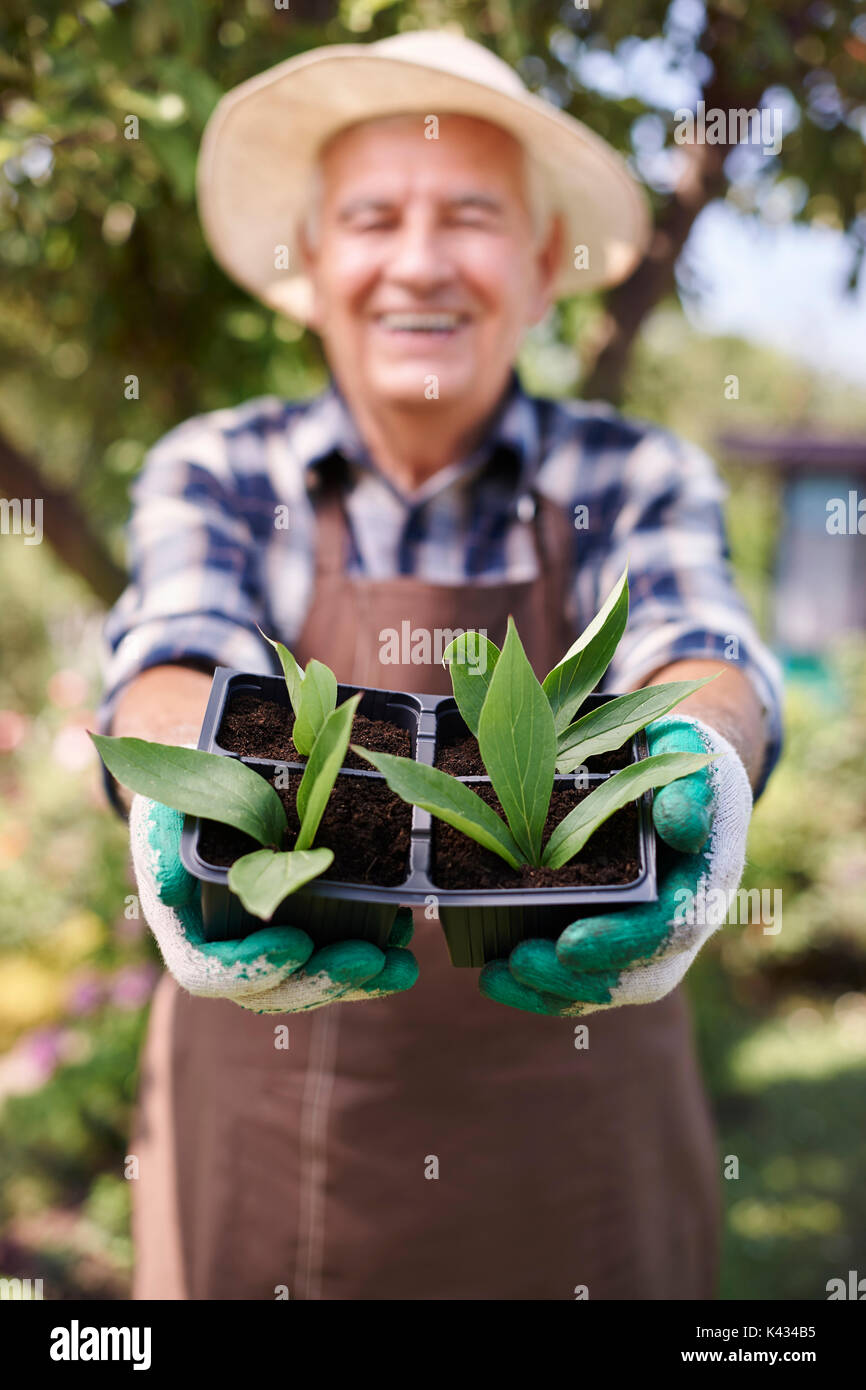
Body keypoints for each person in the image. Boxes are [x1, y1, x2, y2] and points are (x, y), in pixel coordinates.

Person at [98, 30, 783, 1300]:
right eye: (372, 218)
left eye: (469, 218)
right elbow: (175, 650)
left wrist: (706, 764)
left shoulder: (626, 475)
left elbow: (697, 647)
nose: (418, 261)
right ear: (312, 264)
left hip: (580, 1142)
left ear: (536, 270)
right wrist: (173, 790)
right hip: (268, 1138)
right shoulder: (222, 470)